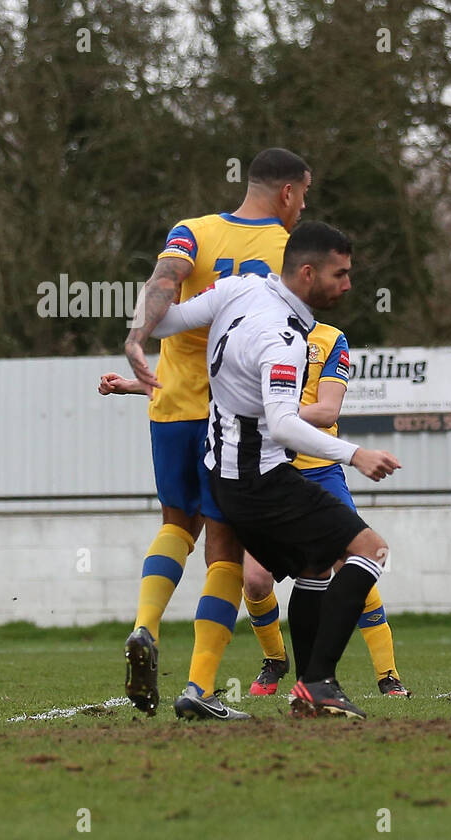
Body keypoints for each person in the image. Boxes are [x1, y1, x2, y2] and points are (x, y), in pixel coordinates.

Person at [146, 221, 400, 720]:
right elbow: (283, 424)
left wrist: (162, 280)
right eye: (340, 274)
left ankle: (306, 687)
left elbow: (161, 321)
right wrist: (355, 454)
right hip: (260, 480)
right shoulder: (283, 339)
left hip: (225, 468)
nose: (348, 285)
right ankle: (318, 683)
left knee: (312, 569)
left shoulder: (241, 289)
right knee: (371, 551)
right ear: (307, 273)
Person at [119, 147, 308, 719]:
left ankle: (144, 627)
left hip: (172, 404)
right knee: (224, 548)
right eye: (304, 195)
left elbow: (164, 279)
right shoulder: (294, 253)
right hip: (236, 417)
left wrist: (135, 337)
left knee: (176, 523)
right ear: (287, 194)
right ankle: (199, 689)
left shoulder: (192, 230)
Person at [242, 319, 411, 698]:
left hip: (320, 472)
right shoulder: (253, 331)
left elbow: (327, 411)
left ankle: (388, 674)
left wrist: (277, 416)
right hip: (268, 473)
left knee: (355, 561)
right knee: (254, 579)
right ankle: (275, 661)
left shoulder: (331, 338)